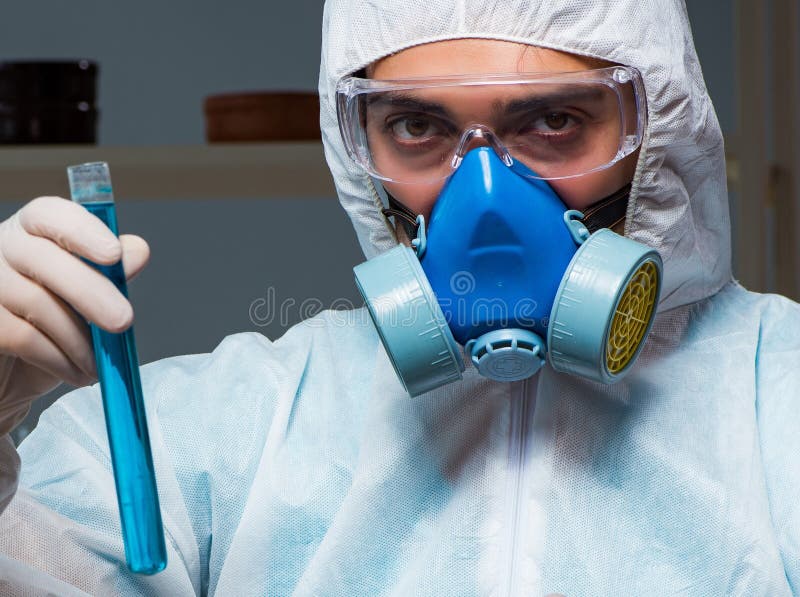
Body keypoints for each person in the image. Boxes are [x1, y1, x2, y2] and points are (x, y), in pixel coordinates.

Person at [0, 0, 798, 594]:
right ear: (359, 154)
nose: (484, 196)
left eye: (555, 120)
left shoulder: (780, 407)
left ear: (657, 131)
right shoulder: (218, 430)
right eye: (418, 127)